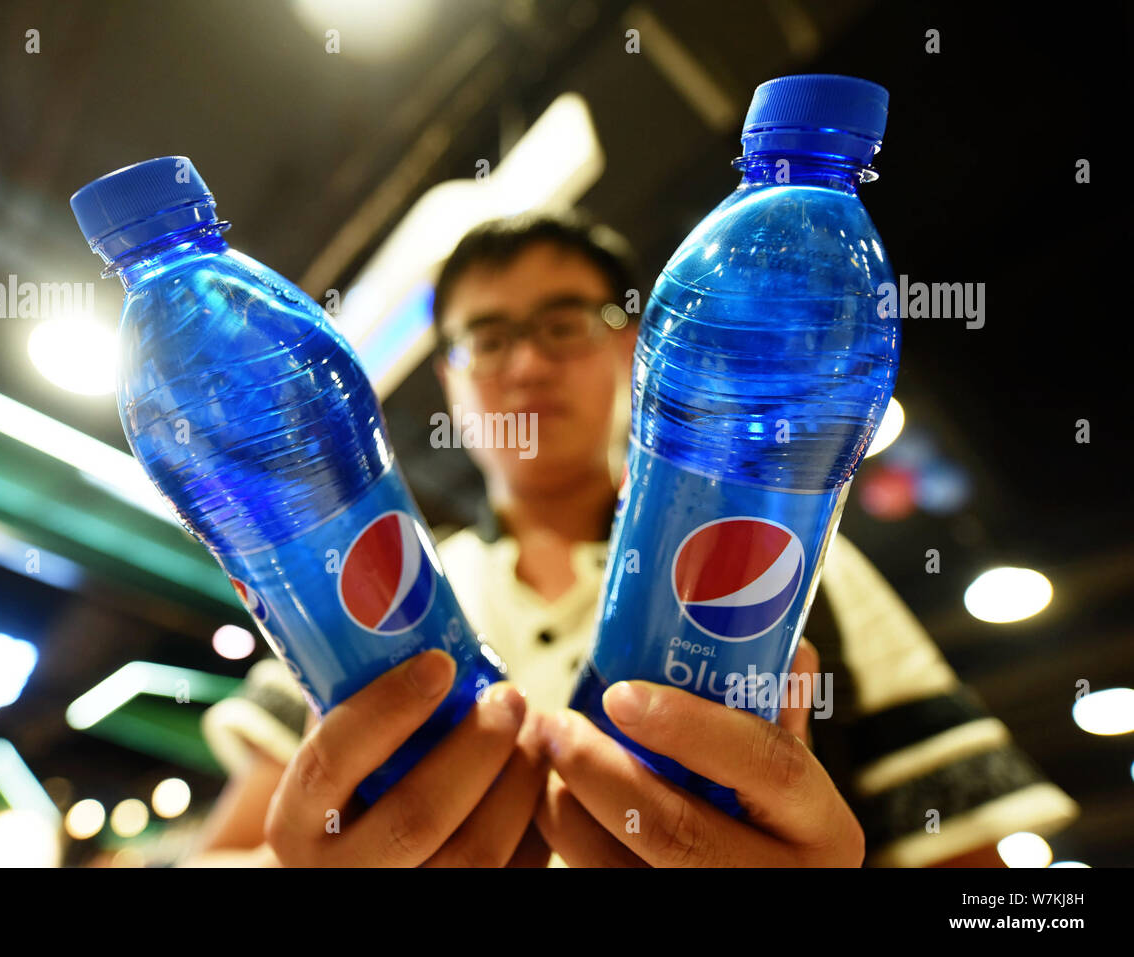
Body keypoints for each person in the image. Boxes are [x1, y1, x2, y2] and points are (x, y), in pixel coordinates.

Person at [192, 211, 1078, 867]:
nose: (528, 364)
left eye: (563, 323)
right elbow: (228, 848)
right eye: (487, 338)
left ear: (630, 351)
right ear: (448, 381)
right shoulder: (363, 592)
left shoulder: (799, 567)